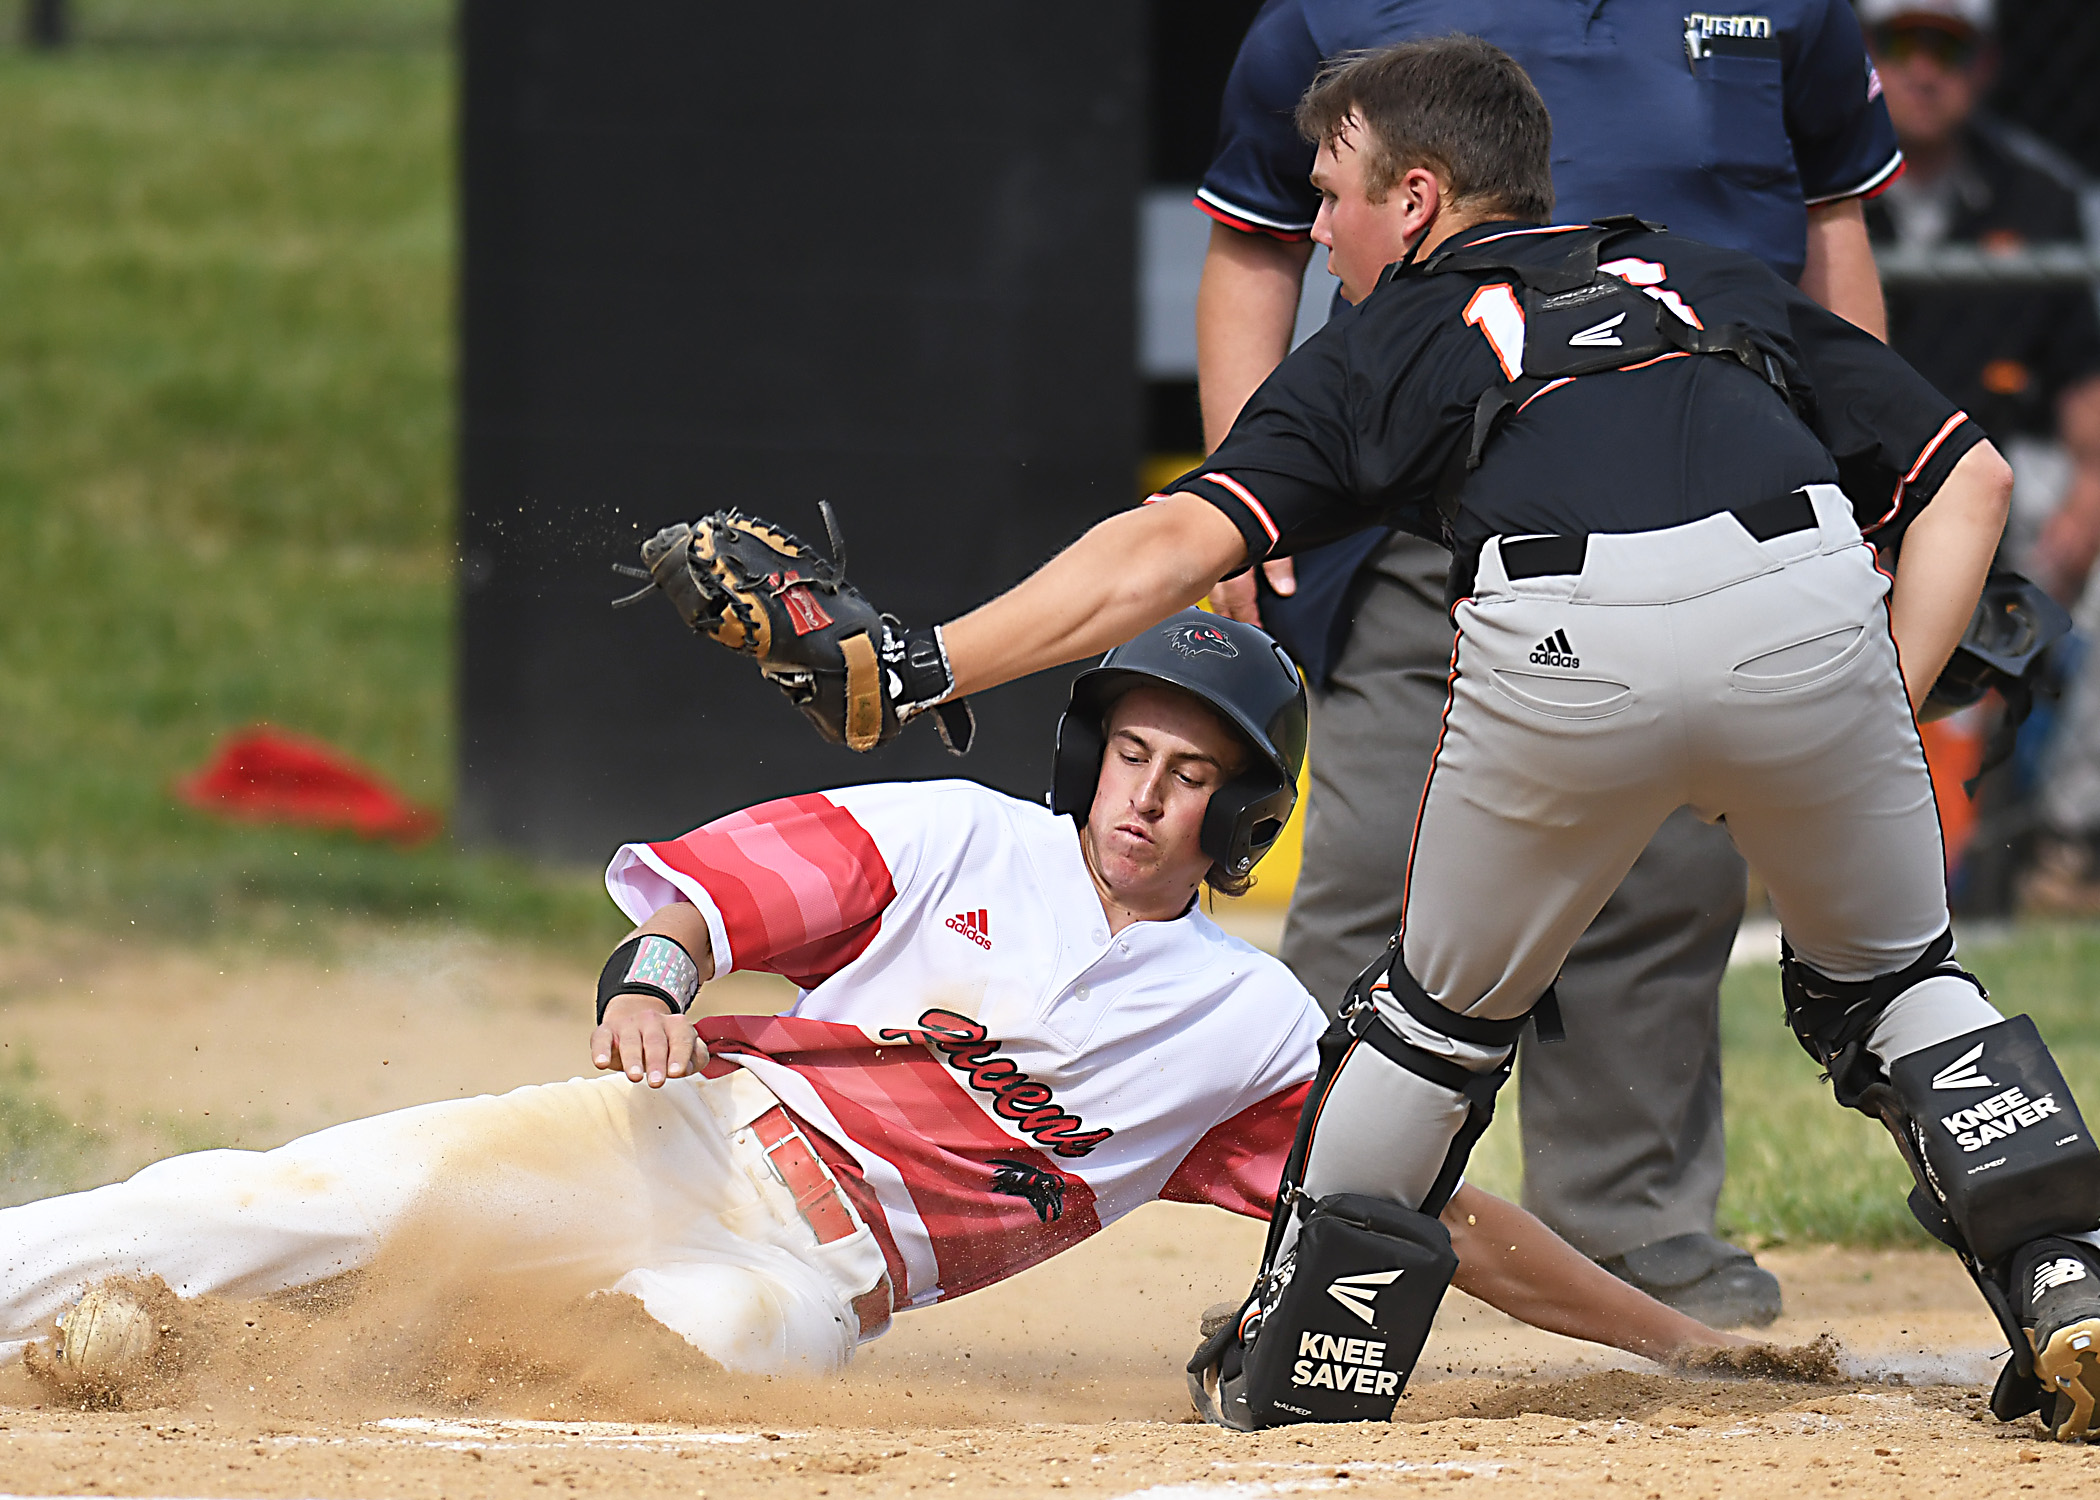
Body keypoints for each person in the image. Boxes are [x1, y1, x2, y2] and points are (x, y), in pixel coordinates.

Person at [666, 38, 2100, 1439]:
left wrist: (918, 666)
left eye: (1334, 192)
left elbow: (1164, 547)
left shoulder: (1392, 335)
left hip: (1563, 628)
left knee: (1431, 1030)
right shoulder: (1708, 274)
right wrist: (1873, 699)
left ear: (1417, 200)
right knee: (1900, 989)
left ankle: (1306, 1361)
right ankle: (2068, 1287)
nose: (1322, 228)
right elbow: (1965, 479)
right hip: (1812, 609)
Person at [0, 615, 1735, 1389]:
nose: (1144, 794)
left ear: (1247, 818)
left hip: (819, 1271)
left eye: (1190, 774)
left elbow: (1426, 1211)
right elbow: (701, 898)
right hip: (677, 1135)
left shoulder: (1252, 1029)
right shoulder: (956, 833)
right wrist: (657, 981)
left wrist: (1680, 1344)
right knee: (243, 1200)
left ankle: (273, 1346)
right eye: (1128, 752)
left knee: (681, 1363)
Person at [1187, 0, 1906, 1329]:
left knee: (1668, 878)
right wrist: (1257, 496)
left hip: (1711, 491)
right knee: (1371, 881)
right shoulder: (1328, 16)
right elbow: (1252, 248)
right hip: (1427, 497)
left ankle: (1635, 1234)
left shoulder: (1790, 9)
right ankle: (1308, 1233)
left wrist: (1862, 472)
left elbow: (1831, 223)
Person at [1853, 0, 2100, 910]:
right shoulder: (1810, 182)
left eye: (1948, 46)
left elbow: (2088, 409)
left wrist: (2086, 511)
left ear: (1988, 64)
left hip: (2001, 481)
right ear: (1867, 59)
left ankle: (2066, 848)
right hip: (1849, 483)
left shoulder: (2038, 194)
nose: (1924, 68)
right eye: (1899, 43)